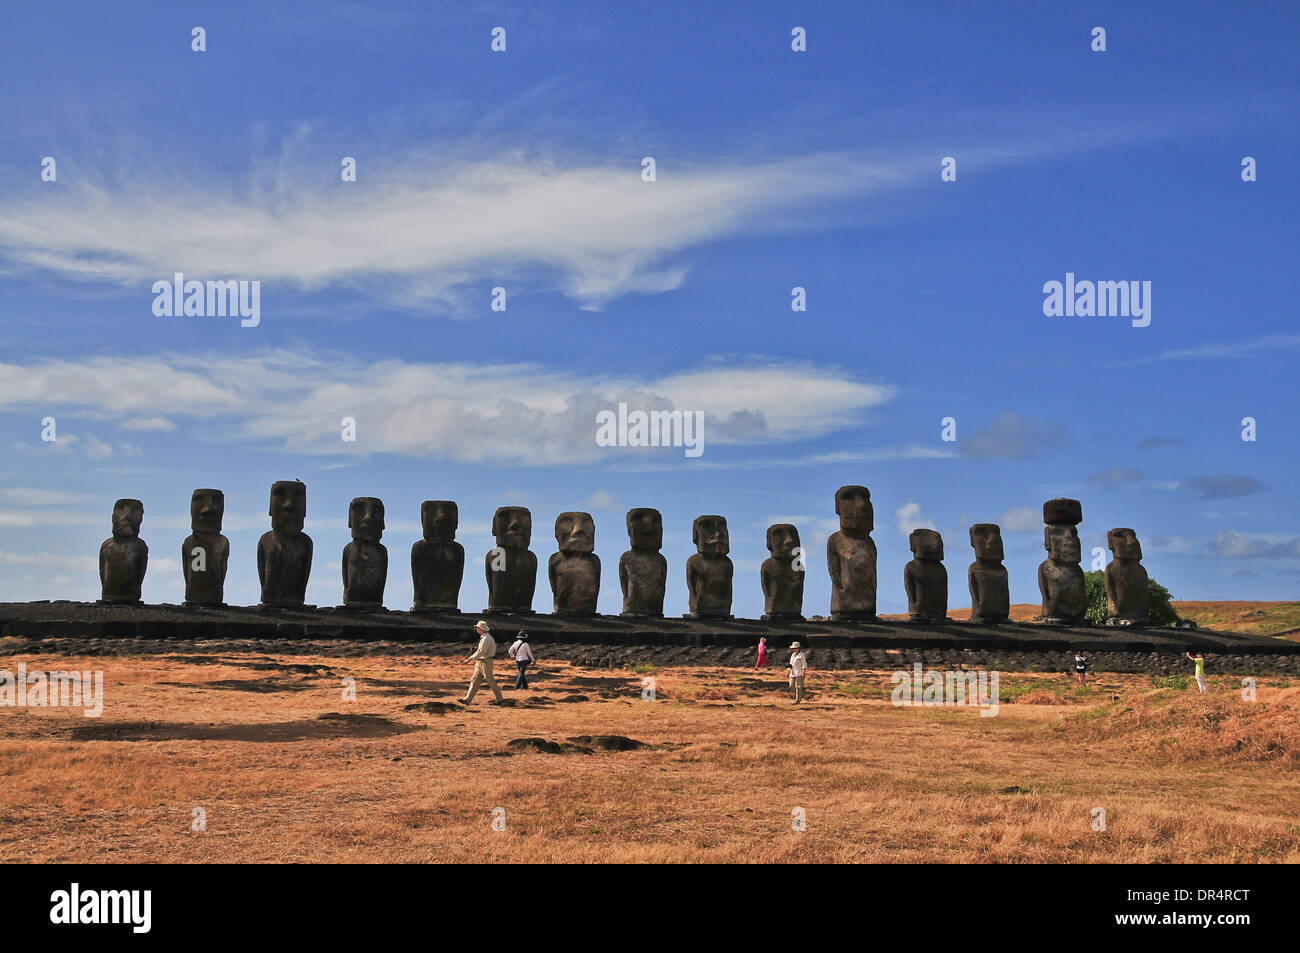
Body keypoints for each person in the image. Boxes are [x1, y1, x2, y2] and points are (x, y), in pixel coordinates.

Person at [461, 619, 503, 704]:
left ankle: (499, 699)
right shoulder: (486, 638)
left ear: (480, 629)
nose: (476, 629)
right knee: (474, 680)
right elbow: (482, 651)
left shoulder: (486, 638)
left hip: (485, 662)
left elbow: (481, 652)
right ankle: (467, 700)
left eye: (477, 628)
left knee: (490, 681)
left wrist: (469, 659)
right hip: (481, 662)